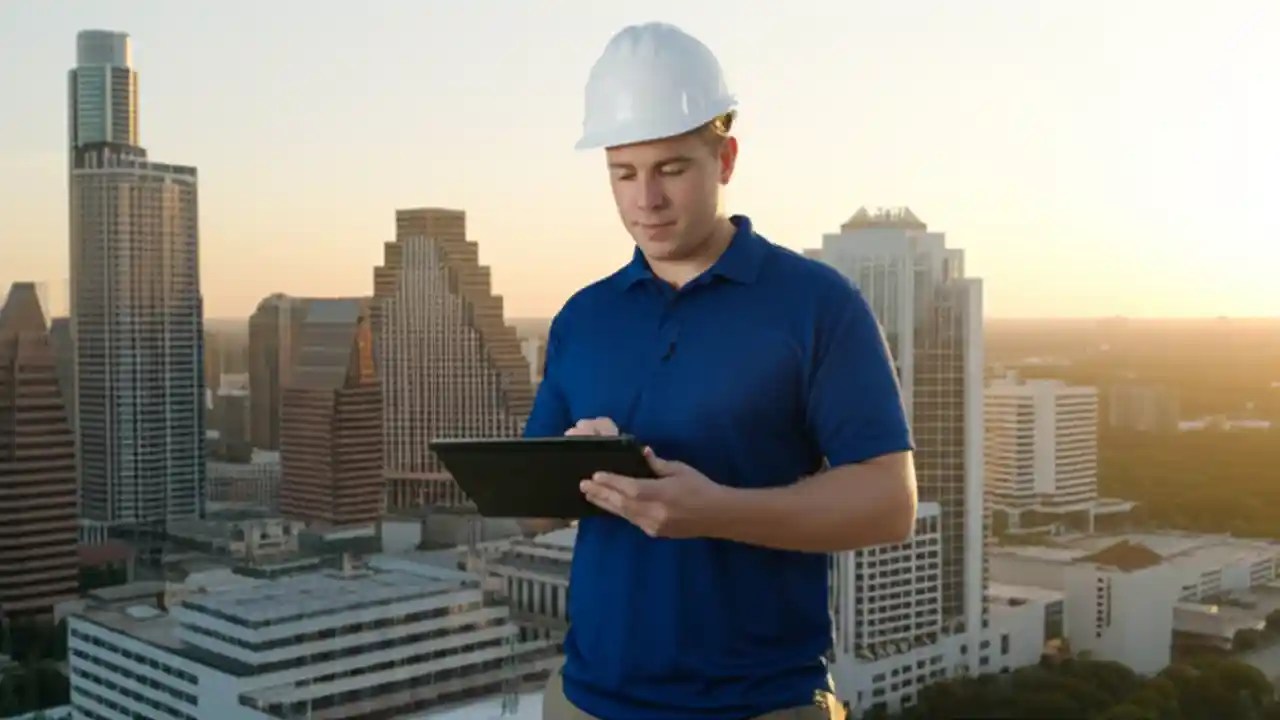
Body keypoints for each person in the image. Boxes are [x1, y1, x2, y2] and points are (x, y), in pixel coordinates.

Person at [523, 21, 919, 720]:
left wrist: (715, 511)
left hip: (760, 703)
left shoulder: (818, 306)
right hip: (587, 701)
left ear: (725, 158)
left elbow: (889, 503)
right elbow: (531, 508)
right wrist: (575, 465)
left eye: (671, 169)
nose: (646, 199)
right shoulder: (582, 319)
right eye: (624, 173)